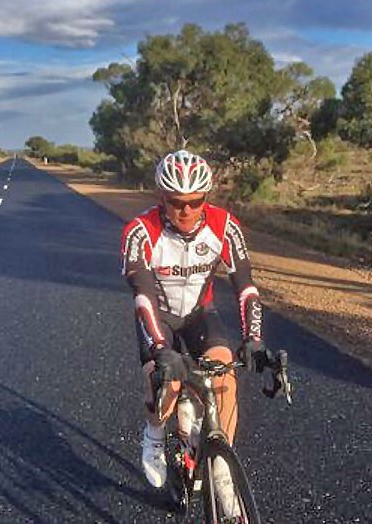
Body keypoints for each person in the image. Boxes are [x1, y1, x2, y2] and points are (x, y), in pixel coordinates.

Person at [120, 150, 269, 516]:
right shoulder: (140, 233)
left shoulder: (224, 226)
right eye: (176, 202)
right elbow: (142, 297)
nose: (186, 210)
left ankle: (221, 473)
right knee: (166, 383)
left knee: (225, 380)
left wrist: (254, 337)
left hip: (201, 314)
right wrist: (159, 348)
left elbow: (246, 288)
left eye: (195, 201)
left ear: (206, 197)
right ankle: (154, 437)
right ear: (161, 198)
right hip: (160, 317)